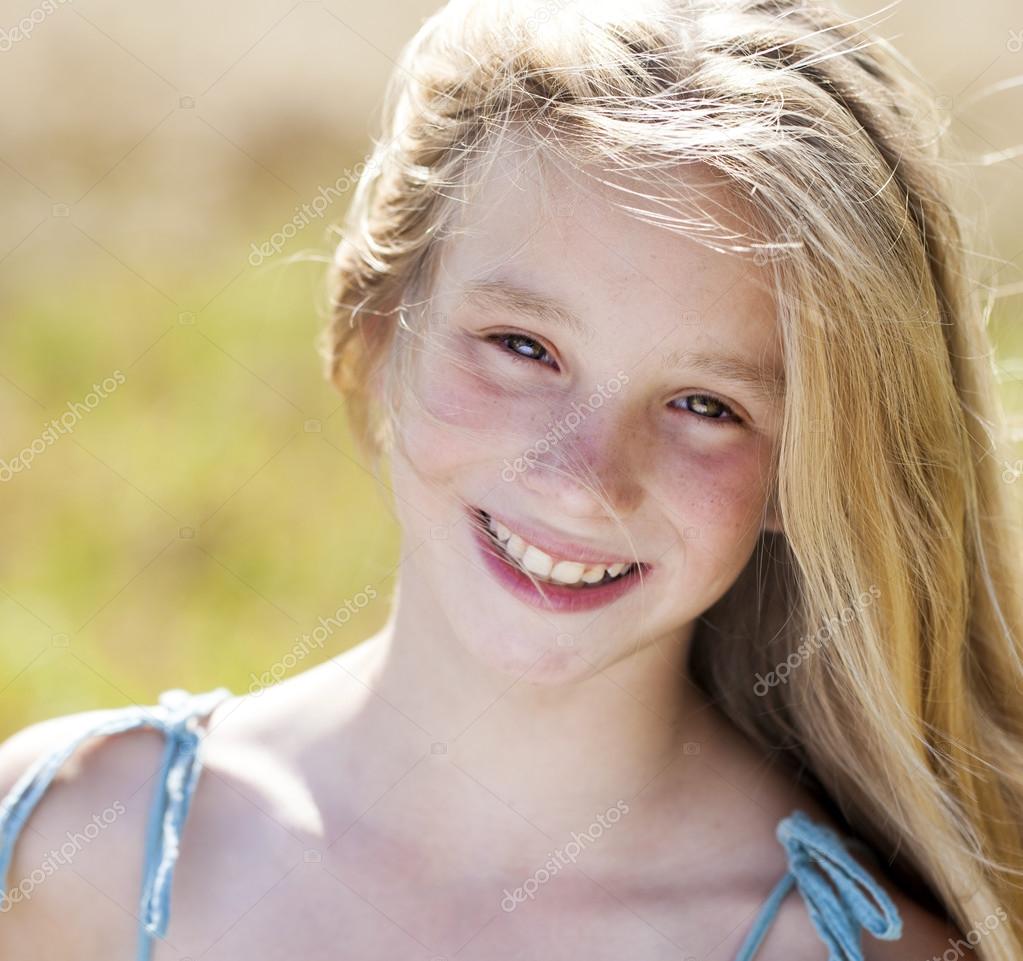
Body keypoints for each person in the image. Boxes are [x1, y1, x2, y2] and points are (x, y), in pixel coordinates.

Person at [2, 0, 1022, 958]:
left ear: (808, 473)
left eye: (706, 405)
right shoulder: (71, 846)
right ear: (377, 328)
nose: (583, 479)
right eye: (523, 347)